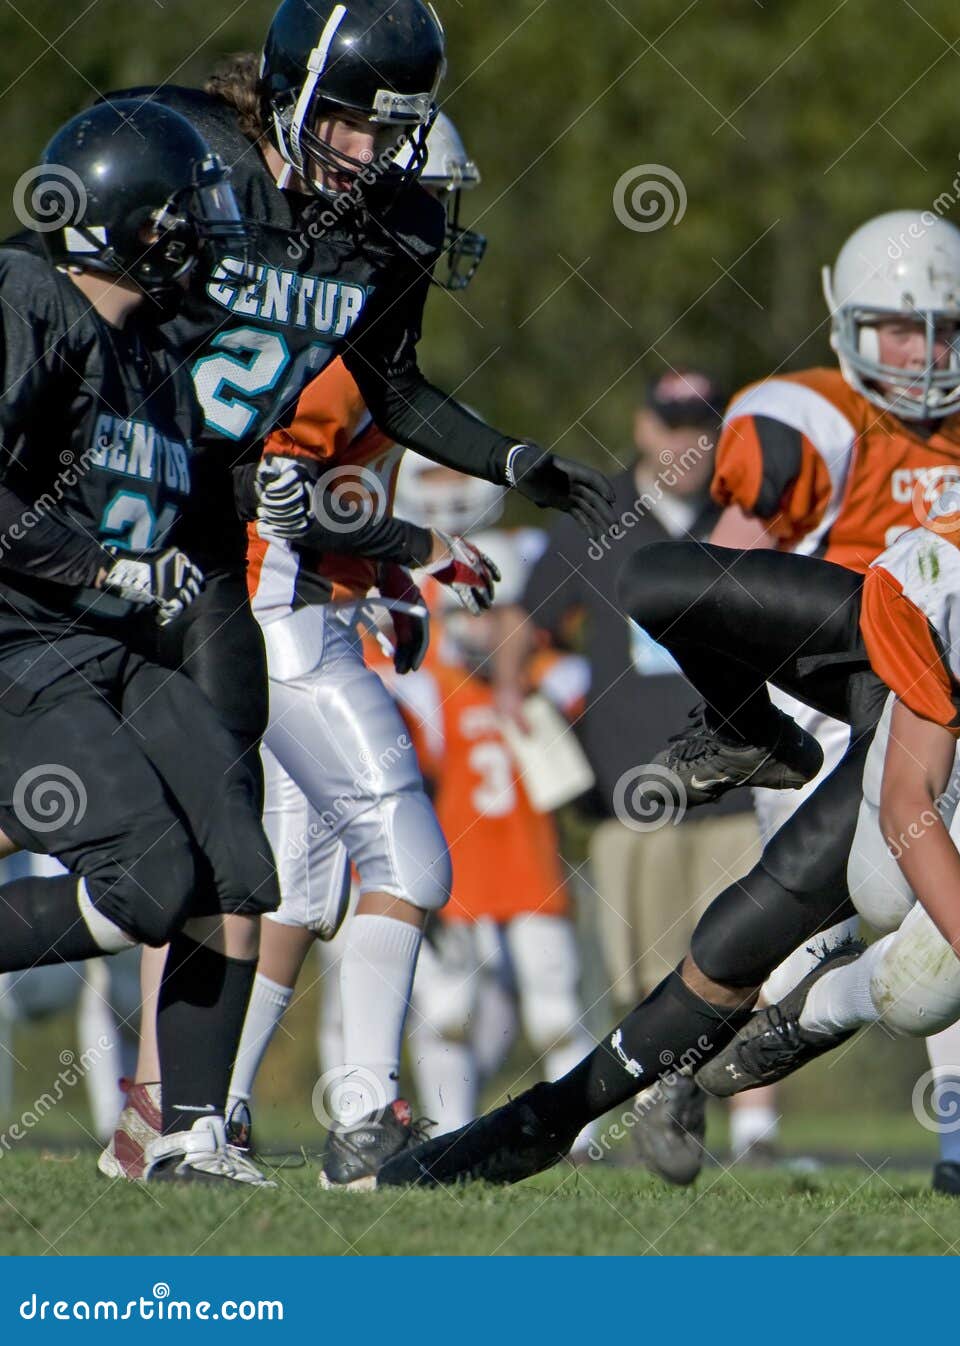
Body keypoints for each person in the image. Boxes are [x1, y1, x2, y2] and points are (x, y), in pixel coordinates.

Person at [376, 457, 960, 1187]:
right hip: (918, 683)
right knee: (670, 600)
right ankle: (752, 741)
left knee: (923, 993)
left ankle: (835, 1010)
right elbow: (911, 800)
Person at [95, 0, 613, 1177]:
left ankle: (181, 1119)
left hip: (284, 598)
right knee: (400, 860)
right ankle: (351, 1116)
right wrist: (401, 544)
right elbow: (281, 485)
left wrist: (509, 466)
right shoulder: (233, 222)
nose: (378, 164)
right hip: (251, 599)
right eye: (356, 129)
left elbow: (396, 393)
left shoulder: (357, 252)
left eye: (393, 138)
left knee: (283, 884)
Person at [640, 212, 960, 1194]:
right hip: (831, 696)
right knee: (806, 929)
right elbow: (723, 577)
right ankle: (679, 1066)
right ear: (849, 324)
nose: (925, 352)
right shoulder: (809, 418)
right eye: (900, 327)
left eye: (944, 328)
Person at [0, 100, 281, 1184]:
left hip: (111, 646)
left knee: (237, 863)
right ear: (127, 220)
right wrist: (95, 564)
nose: (205, 235)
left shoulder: (150, 353)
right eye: (185, 216)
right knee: (147, 881)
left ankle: (192, 1139)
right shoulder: (30, 297)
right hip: (18, 652)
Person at [495, 369, 770, 1179]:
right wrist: (514, 693)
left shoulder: (744, 512)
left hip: (737, 776)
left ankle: (755, 1131)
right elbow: (529, 619)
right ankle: (658, 1107)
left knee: (742, 958)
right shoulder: (600, 518)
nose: (686, 439)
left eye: (700, 424)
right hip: (634, 787)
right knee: (642, 971)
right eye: (672, 421)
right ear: (644, 426)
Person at [389, 487, 599, 1157]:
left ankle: (586, 1139)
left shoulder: (548, 676)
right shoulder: (427, 690)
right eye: (466, 615)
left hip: (532, 872)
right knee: (448, 1016)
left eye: (490, 615)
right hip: (460, 879)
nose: (477, 631)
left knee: (556, 1011)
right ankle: (450, 1138)